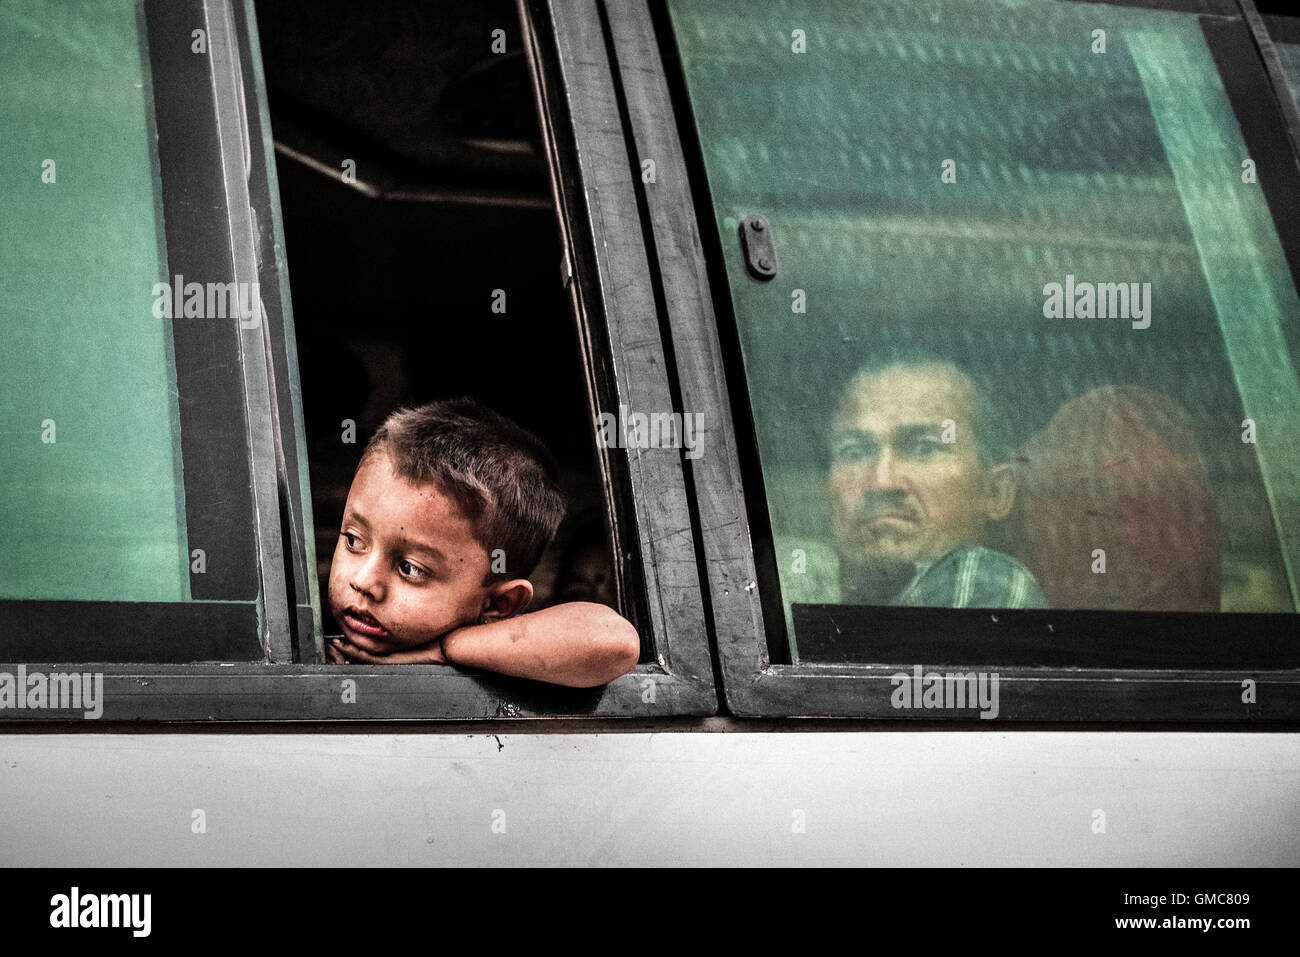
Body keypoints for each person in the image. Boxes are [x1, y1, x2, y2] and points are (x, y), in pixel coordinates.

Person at [324, 398, 641, 687]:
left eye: (410, 568)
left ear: (496, 605)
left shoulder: (512, 657)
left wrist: (444, 650)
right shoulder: (301, 637)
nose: (363, 582)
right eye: (353, 540)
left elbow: (614, 640)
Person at [784, 351, 1045, 611]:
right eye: (855, 452)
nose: (881, 482)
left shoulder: (984, 582)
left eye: (924, 449)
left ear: (995, 491)